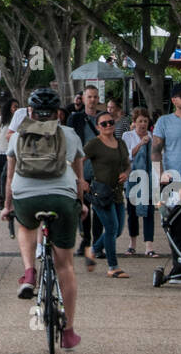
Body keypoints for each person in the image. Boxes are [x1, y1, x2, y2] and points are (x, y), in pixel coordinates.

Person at [2, 87, 86, 350]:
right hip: (62, 199)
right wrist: (81, 207)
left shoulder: (17, 138)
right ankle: (69, 332)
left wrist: (7, 206)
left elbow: (9, 177)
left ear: (30, 112)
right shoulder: (70, 135)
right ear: (59, 113)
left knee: (25, 224)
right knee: (66, 266)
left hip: (26, 197)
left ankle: (29, 273)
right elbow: (80, 181)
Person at [85, 109, 131, 277]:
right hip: (101, 193)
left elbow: (127, 163)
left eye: (111, 122)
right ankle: (113, 267)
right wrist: (81, 180)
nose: (108, 126)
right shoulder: (94, 144)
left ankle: (93, 250)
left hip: (117, 192)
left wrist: (126, 173)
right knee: (111, 228)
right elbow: (78, 160)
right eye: (104, 124)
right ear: (98, 127)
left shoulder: (121, 143)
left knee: (118, 230)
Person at [67, 85, 103, 257]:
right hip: (82, 169)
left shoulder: (104, 118)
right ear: (84, 98)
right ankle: (85, 242)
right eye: (90, 97)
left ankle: (97, 244)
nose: (93, 100)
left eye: (95, 97)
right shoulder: (75, 119)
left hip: (100, 170)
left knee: (100, 209)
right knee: (84, 209)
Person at [122, 106, 157, 256]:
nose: (143, 124)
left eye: (145, 121)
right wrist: (141, 144)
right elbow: (127, 156)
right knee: (132, 212)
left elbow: (156, 158)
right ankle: (132, 244)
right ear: (134, 122)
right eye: (140, 121)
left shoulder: (153, 137)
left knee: (149, 212)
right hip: (132, 179)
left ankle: (149, 246)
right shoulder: (127, 136)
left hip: (148, 179)